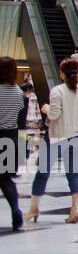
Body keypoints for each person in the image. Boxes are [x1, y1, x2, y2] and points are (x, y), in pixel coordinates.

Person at [27, 58, 78, 224]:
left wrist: (46, 108)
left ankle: (34, 208)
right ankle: (75, 208)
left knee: (43, 172)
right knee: (74, 173)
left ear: (62, 73)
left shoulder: (57, 91)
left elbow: (54, 115)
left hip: (57, 137)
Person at [0, 57, 24, 230]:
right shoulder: (19, 92)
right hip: (11, 139)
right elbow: (20, 121)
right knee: (6, 179)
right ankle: (15, 209)